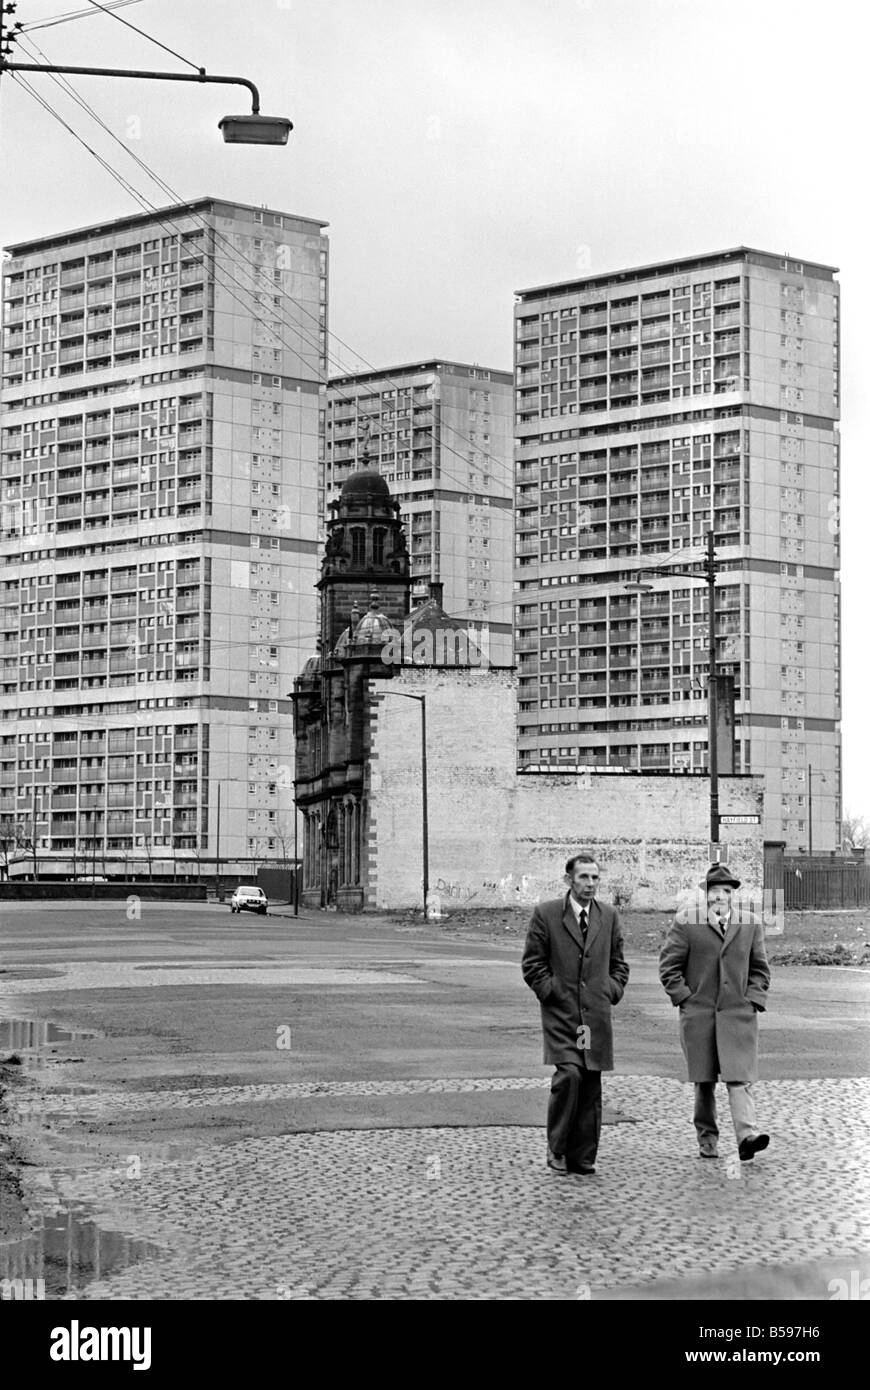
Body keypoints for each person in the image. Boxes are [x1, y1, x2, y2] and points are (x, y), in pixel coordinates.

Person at [521, 853, 629, 1176]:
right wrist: (550, 990)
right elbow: (532, 963)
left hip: (594, 1016)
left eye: (595, 878)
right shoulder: (547, 914)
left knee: (591, 1081)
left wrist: (610, 989)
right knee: (569, 1075)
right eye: (583, 877)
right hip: (562, 1013)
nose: (590, 884)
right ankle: (557, 1148)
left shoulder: (608, 916)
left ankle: (583, 1155)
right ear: (569, 880)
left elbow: (619, 964)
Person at [659, 863, 771, 1161]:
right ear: (705, 894)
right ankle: (707, 1139)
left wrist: (753, 1000)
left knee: (739, 1077)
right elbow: (669, 968)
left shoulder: (750, 924)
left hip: (738, 1014)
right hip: (700, 1016)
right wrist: (686, 999)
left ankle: (746, 1136)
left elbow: (760, 968)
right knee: (704, 1081)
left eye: (725, 891)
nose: (719, 897)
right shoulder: (687, 922)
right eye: (713, 891)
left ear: (733, 894)